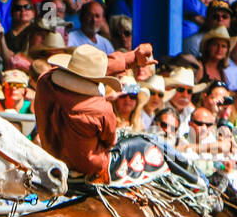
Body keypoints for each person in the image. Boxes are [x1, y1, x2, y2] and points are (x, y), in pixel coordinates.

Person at [31, 42, 155, 183]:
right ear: (97, 79)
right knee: (147, 144)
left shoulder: (45, 82)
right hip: (90, 167)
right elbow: (109, 141)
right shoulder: (101, 109)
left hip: (51, 155)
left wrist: (132, 58)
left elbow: (94, 68)